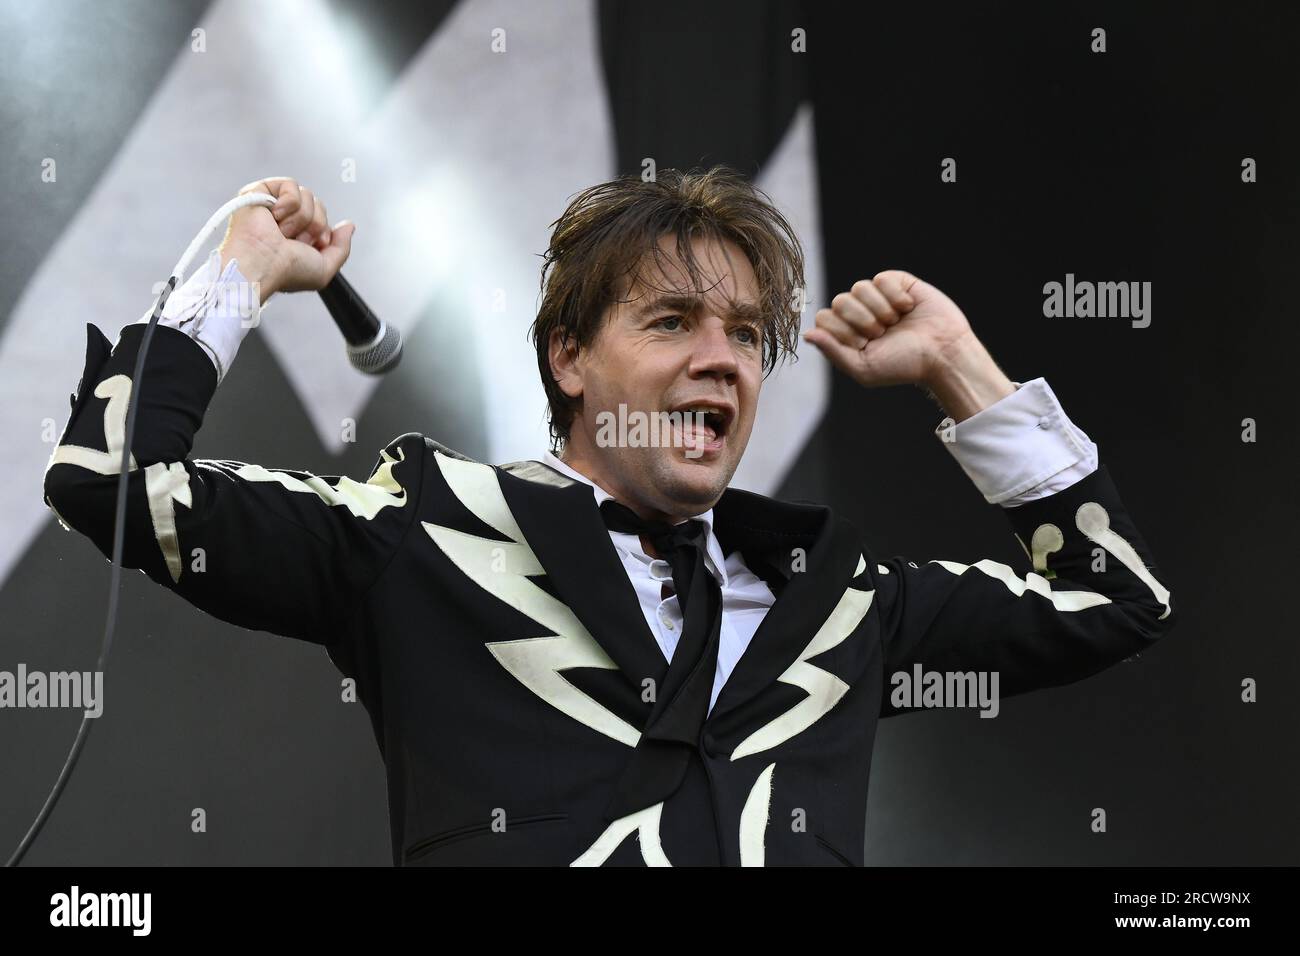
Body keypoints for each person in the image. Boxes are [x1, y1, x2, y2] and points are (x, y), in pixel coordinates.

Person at [42, 167, 1176, 866]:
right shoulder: (427, 530)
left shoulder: (839, 596)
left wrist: (959, 368)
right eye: (674, 320)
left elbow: (1116, 602)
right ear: (569, 358)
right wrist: (237, 274)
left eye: (744, 335)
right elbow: (114, 477)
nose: (718, 360)